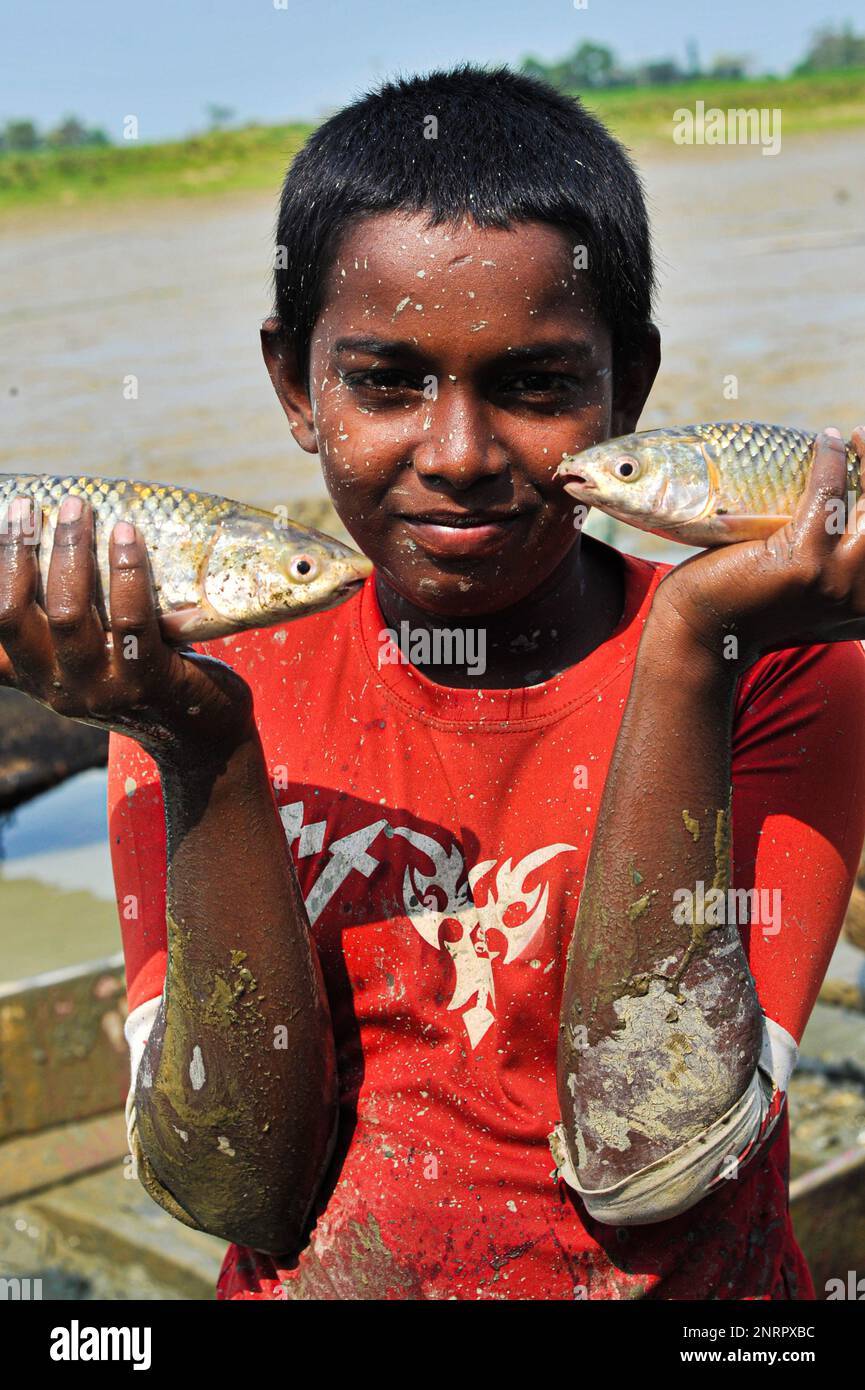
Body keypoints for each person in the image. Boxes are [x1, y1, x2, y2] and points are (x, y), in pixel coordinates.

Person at [2, 66, 864, 1300]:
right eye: (387, 380)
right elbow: (235, 1186)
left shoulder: (779, 667)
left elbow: (649, 1155)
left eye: (535, 384)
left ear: (634, 383)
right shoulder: (190, 678)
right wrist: (193, 742)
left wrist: (688, 649)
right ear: (296, 386)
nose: (458, 455)